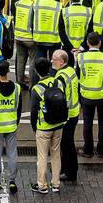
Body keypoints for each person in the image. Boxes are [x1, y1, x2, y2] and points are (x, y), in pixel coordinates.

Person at [30, 57, 64, 194]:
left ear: (37, 71)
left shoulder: (36, 89)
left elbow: (34, 111)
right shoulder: (58, 83)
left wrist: (34, 127)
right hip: (58, 124)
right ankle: (56, 184)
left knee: (42, 156)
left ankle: (42, 185)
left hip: (44, 127)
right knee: (56, 154)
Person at [0, 59, 21, 194]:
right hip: (11, 125)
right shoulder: (17, 88)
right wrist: (15, 122)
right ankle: (12, 181)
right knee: (12, 154)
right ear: (8, 71)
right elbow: (19, 109)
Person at [77, 37, 103, 155]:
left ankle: (88, 149)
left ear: (87, 43)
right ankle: (102, 149)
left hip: (86, 94)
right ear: (100, 43)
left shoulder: (81, 57)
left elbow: (77, 75)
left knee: (87, 122)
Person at [54, 48, 81, 183]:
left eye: (55, 59)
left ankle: (70, 172)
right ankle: (67, 169)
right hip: (74, 112)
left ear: (62, 61)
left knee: (67, 144)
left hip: (67, 115)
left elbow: (59, 99)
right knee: (67, 143)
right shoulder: (71, 71)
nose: (52, 61)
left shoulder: (60, 77)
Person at [10, 0, 36, 84]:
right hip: (29, 37)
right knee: (32, 61)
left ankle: (19, 81)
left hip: (19, 36)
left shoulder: (17, 4)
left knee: (20, 61)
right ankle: (32, 83)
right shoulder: (33, 5)